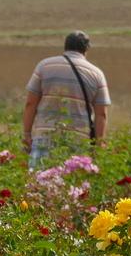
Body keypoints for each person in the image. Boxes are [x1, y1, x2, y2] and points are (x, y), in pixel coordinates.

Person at [23, 31, 110, 170]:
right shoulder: (96, 74)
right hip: (78, 141)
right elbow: (102, 114)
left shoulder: (44, 66)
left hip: (44, 138)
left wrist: (27, 134)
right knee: (71, 188)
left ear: (65, 46)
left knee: (38, 184)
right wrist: (100, 144)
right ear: (87, 49)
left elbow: (30, 104)